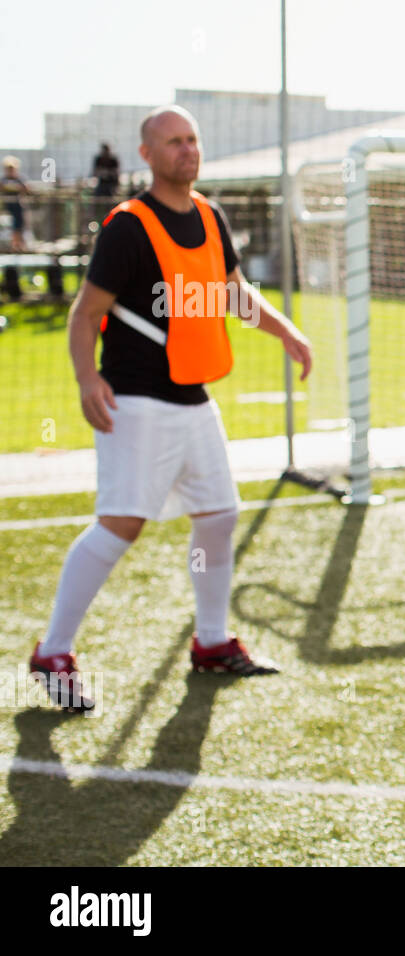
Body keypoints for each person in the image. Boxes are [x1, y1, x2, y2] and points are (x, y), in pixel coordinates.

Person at [28, 105, 313, 713]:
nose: (187, 149)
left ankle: (211, 643)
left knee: (217, 514)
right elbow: (85, 314)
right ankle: (52, 651)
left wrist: (285, 330)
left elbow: (234, 294)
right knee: (121, 524)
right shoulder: (128, 226)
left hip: (193, 397)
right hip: (136, 401)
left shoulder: (210, 213)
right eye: (174, 142)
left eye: (193, 140)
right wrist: (86, 381)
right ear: (148, 154)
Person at [2, 156, 29, 252]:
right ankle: (13, 244)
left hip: (18, 207)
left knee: (18, 225)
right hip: (7, 208)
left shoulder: (20, 179)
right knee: (9, 226)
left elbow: (26, 189)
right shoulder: (3, 180)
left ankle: (19, 244)